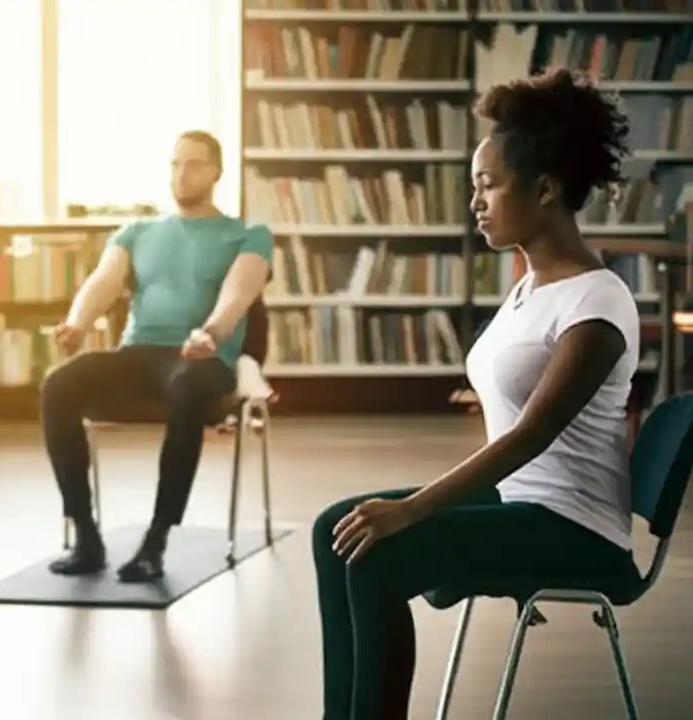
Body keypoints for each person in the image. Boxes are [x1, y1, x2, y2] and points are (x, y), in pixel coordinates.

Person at [312, 68, 641, 719]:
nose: (476, 202)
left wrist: (413, 511)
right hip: (519, 504)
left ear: (544, 189)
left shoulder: (597, 302)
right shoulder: (529, 287)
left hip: (572, 528)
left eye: (488, 185)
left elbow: (531, 435)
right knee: (335, 531)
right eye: (474, 187)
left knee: (380, 555)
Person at [41, 130, 273, 582]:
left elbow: (239, 293)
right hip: (139, 355)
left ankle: (156, 540)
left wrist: (210, 333)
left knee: (186, 386)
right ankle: (86, 536)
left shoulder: (246, 234)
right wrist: (78, 323)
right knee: (59, 384)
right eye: (175, 164)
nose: (181, 173)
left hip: (203, 362)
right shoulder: (137, 231)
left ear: (216, 171)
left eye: (193, 164)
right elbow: (105, 280)